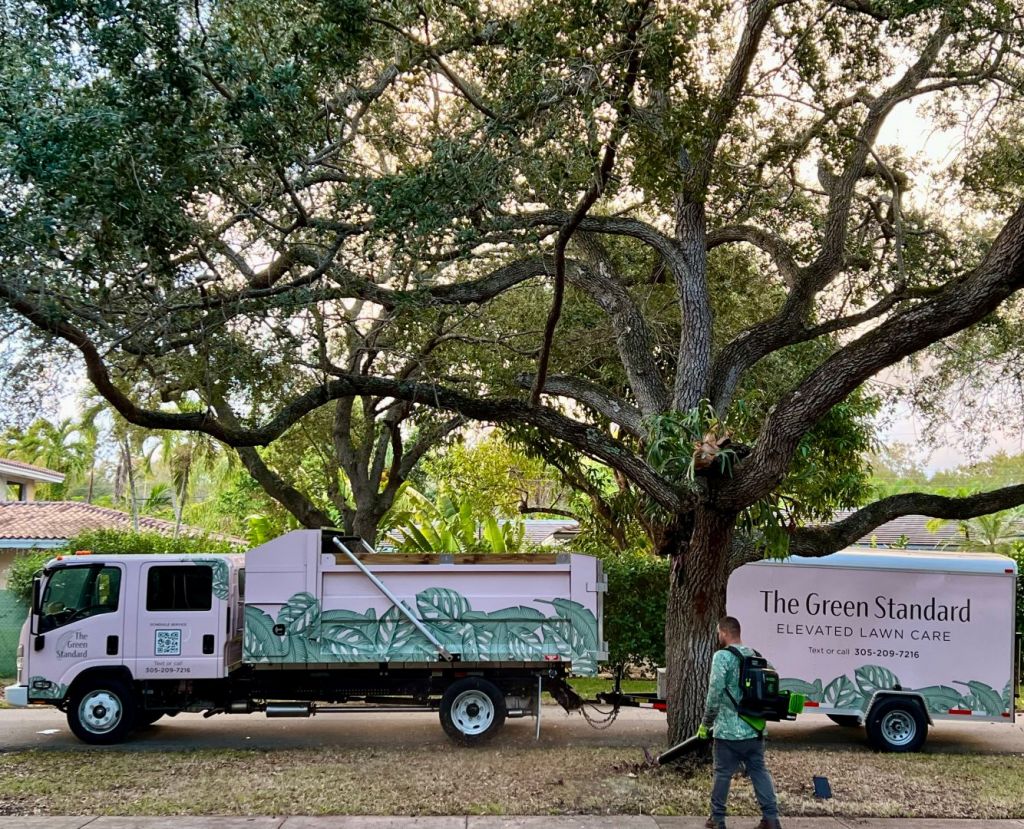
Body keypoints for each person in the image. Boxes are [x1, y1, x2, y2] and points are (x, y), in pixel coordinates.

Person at [698, 615, 782, 829]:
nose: (719, 636)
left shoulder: (722, 657)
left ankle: (717, 819)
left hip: (728, 732)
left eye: (719, 633)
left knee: (723, 773)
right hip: (755, 730)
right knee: (759, 772)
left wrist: (706, 724)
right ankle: (771, 819)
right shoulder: (756, 655)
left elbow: (715, 692)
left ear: (724, 632)